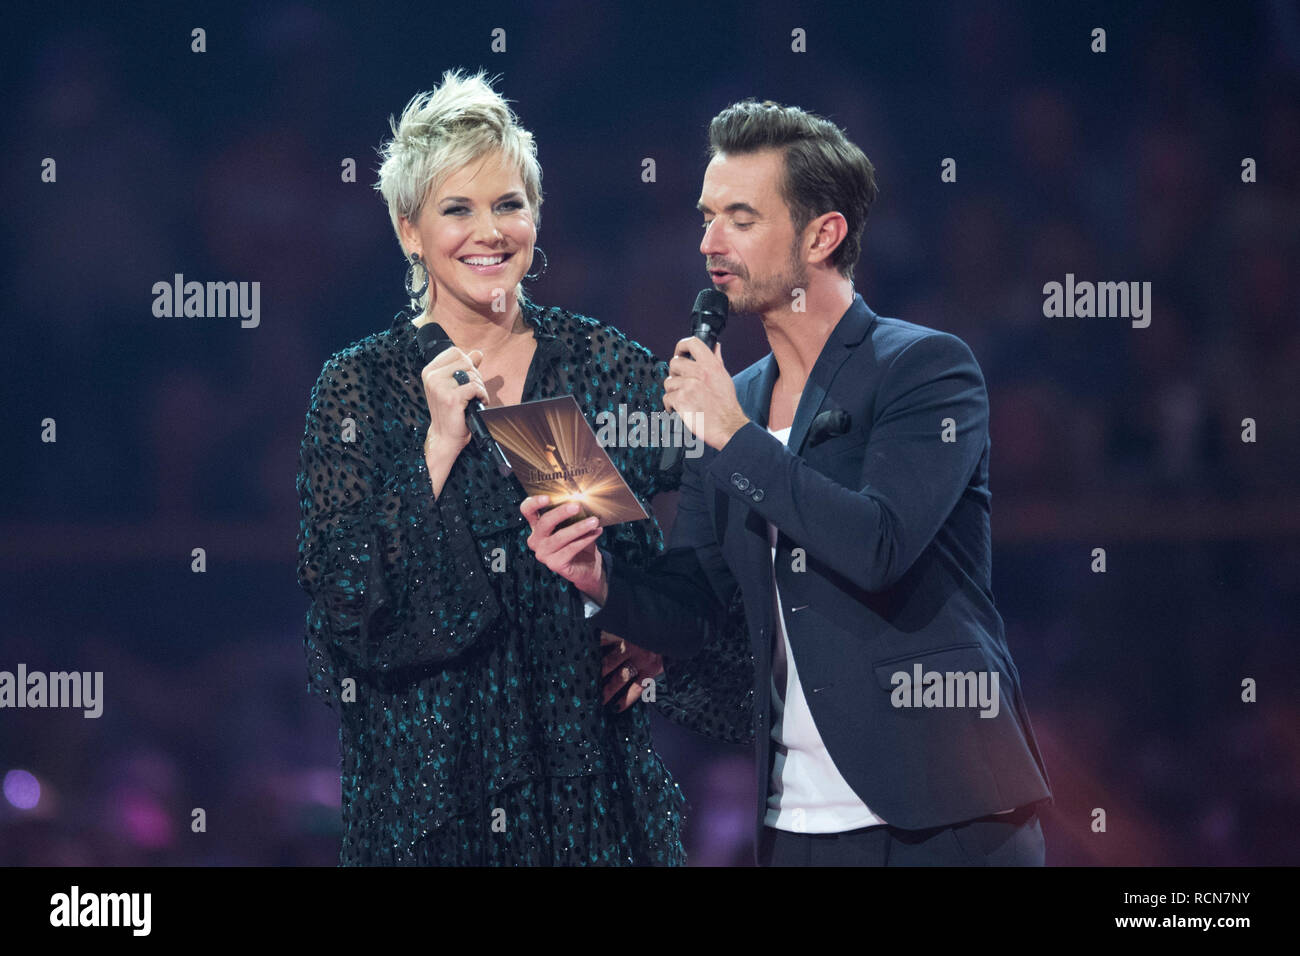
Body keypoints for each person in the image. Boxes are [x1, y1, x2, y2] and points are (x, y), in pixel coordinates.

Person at [523, 99, 1053, 866]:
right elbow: (699, 596)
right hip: (796, 824)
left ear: (823, 233)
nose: (709, 241)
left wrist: (733, 437)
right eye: (707, 217)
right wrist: (597, 574)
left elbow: (879, 544)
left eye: (741, 217)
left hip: (947, 815)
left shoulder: (923, 369)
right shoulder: (731, 400)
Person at [295, 69, 727, 865]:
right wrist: (437, 445)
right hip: (426, 802)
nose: (488, 232)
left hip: (590, 797)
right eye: (456, 209)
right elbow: (341, 597)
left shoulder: (600, 366)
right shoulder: (360, 385)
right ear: (408, 231)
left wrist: (652, 625)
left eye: (508, 205)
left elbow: (725, 494)